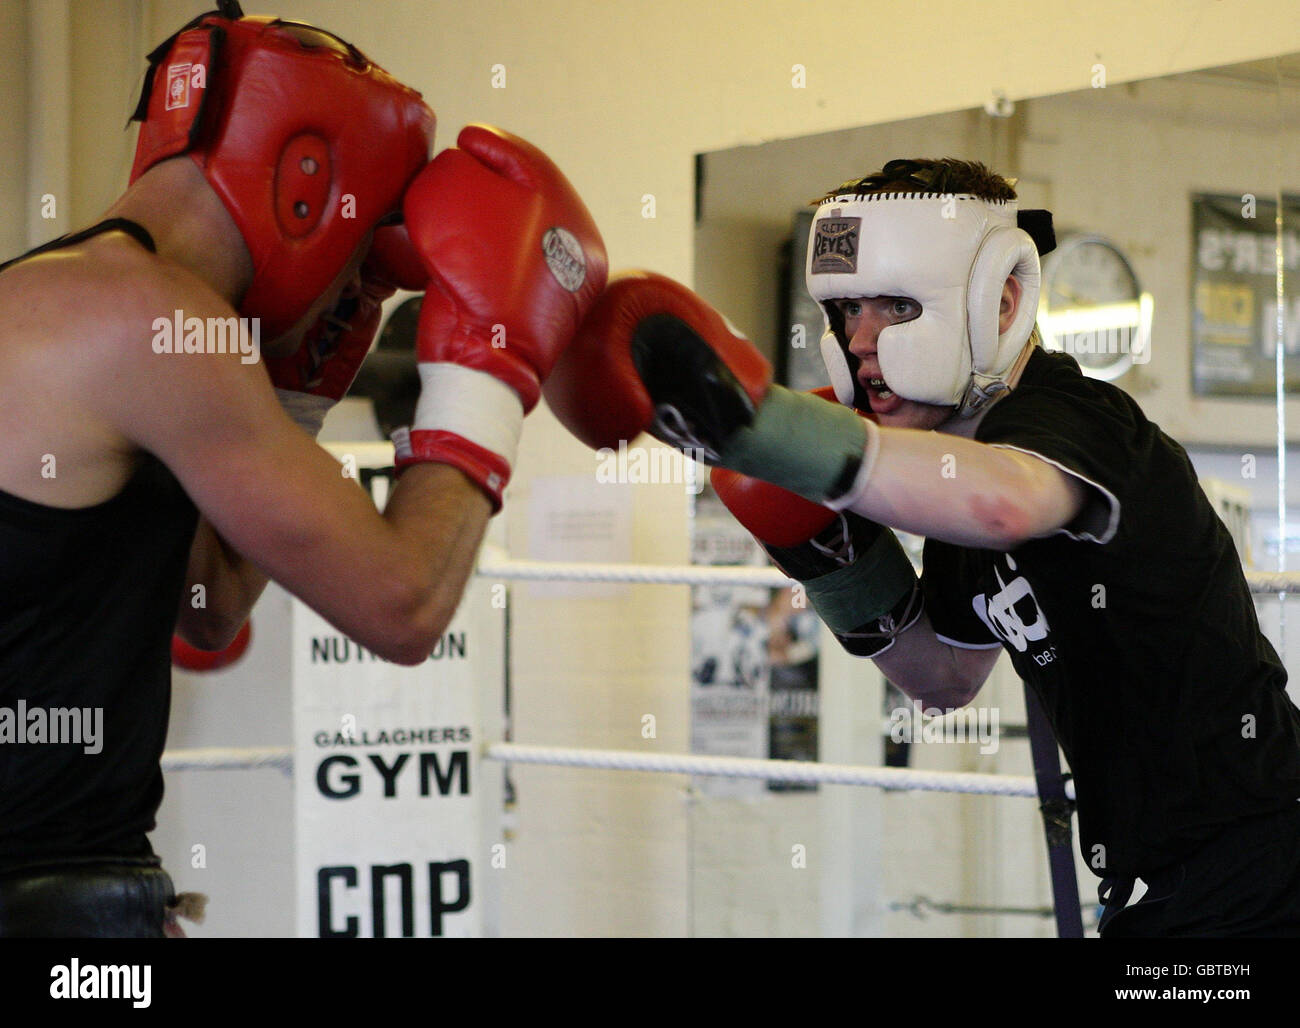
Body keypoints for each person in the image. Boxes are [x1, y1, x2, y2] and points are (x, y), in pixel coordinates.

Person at [546, 157, 1300, 937]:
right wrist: (826, 555)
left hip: (1267, 863)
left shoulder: (1076, 420)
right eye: (844, 310)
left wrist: (763, 431)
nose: (860, 341)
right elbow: (943, 677)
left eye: (897, 306)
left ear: (1000, 300)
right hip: (1169, 887)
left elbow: (1009, 500)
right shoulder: (954, 491)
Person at [0, 1, 605, 937]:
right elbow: (402, 606)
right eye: (371, 242)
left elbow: (205, 606)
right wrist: (489, 368)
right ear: (306, 185)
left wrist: (303, 387)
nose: (365, 273)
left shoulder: (65, 294)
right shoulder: (151, 321)